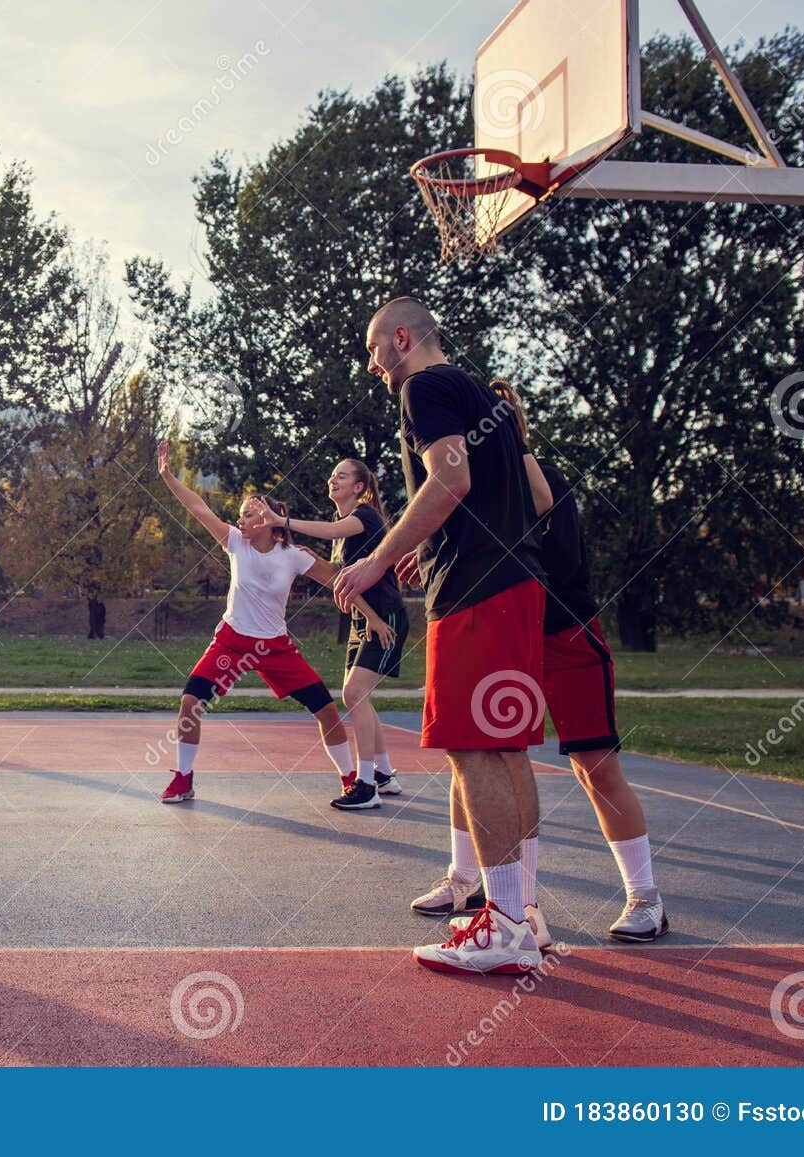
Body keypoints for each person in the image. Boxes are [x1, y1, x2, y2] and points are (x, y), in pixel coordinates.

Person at [335, 297, 546, 975]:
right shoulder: (484, 393)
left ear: (403, 338)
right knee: (506, 749)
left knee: (471, 748)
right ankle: (526, 913)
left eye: (374, 349)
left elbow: (449, 479)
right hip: (517, 581)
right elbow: (527, 498)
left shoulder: (423, 386)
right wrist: (418, 544)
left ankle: (507, 926)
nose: (373, 365)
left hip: (477, 592)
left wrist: (374, 556)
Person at [445, 386, 668, 943]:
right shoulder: (484, 491)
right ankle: (513, 903)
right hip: (510, 632)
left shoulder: (531, 475)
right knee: (494, 761)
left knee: (595, 769)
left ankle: (646, 899)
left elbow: (539, 502)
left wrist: (514, 441)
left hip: (566, 632)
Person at [154, 440, 357, 806]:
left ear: (270, 521)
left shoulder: (293, 556)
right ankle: (183, 778)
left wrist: (374, 609)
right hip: (232, 641)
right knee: (190, 703)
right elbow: (198, 508)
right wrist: (168, 476)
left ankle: (351, 779)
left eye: (249, 514)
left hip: (274, 646)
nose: (241, 520)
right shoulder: (236, 543)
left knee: (327, 710)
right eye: (242, 514)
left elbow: (342, 580)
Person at [251, 458, 408, 808]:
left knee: (354, 694)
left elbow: (332, 532)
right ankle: (384, 775)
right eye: (332, 474)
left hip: (385, 616)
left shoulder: (365, 516)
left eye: (342, 476)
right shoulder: (345, 524)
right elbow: (341, 572)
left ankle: (366, 786)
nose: (333, 479)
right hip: (364, 619)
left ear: (359, 487)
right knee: (360, 697)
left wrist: (282, 522)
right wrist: (314, 559)